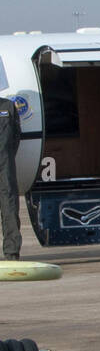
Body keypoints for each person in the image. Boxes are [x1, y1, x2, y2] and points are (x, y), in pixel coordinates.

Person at [0, 95, 20, 260]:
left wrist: (6, 157)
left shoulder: (8, 106)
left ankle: (12, 252)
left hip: (5, 166)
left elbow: (16, 137)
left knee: (10, 207)